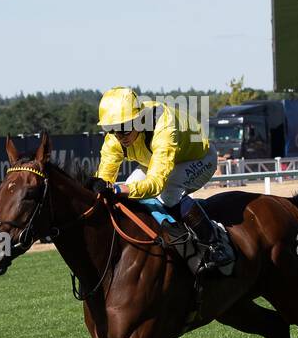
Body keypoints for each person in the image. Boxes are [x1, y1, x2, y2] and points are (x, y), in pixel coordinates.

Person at [94, 87, 235, 276]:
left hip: (198, 158)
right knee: (131, 190)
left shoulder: (163, 124)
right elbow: (104, 179)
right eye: (111, 129)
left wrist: (119, 189)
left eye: (124, 128)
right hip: (157, 160)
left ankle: (214, 243)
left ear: (138, 118)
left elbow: (156, 184)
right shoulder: (115, 138)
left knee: (167, 193)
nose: (119, 136)